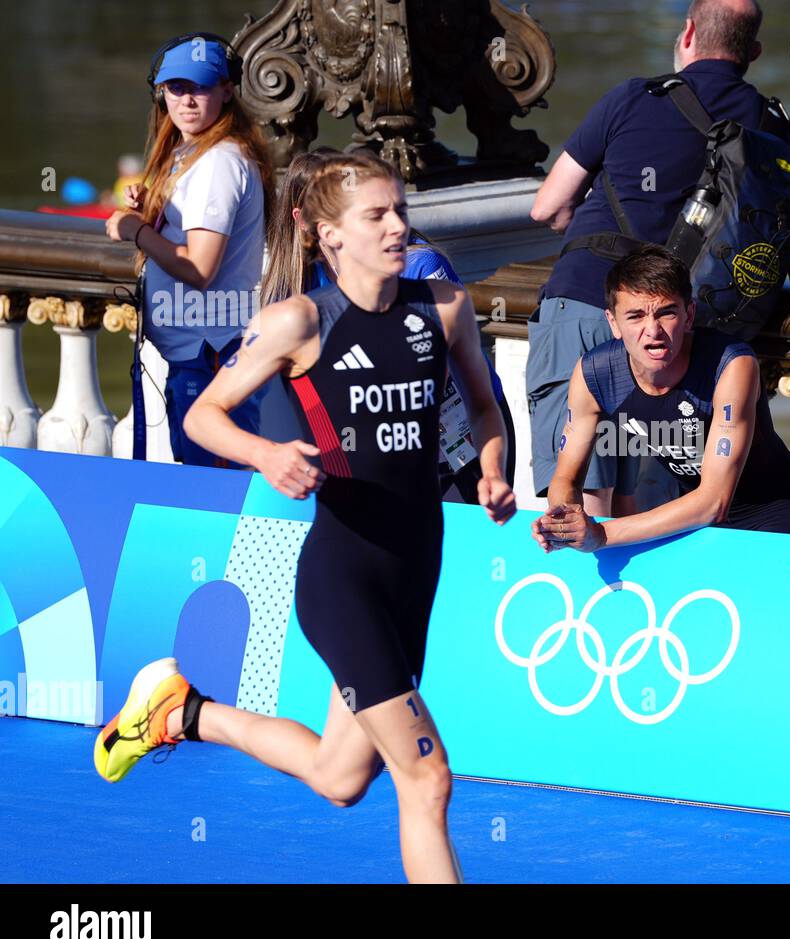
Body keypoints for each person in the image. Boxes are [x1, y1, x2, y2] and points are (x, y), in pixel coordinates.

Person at [93, 152, 516, 885]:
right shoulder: (297, 322)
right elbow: (204, 415)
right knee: (428, 779)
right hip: (343, 577)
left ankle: (184, 712)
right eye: (376, 215)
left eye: (400, 210)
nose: (397, 227)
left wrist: (494, 468)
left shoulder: (444, 307)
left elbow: (483, 407)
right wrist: (266, 455)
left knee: (340, 776)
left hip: (416, 571)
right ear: (330, 236)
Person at [527, 0, 790, 516]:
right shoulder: (769, 122)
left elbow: (548, 206)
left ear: (688, 33)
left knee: (581, 495)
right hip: (683, 336)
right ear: (753, 52)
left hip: (587, 301)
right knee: (651, 507)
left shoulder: (632, 97)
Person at [259, 148, 515, 499]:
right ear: (309, 223)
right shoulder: (297, 291)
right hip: (369, 448)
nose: (394, 226)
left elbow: (431, 382)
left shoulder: (420, 265)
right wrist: (268, 453)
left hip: (462, 435)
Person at [532, 246, 790, 553]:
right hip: (688, 510)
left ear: (689, 315)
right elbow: (565, 477)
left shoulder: (731, 365)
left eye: (666, 313)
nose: (652, 331)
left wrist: (600, 534)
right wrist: (564, 520)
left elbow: (713, 502)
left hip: (771, 513)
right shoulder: (594, 374)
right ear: (613, 323)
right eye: (635, 316)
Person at [105, 33, 274, 467]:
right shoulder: (194, 151)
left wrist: (134, 231)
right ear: (160, 91)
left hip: (210, 354)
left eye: (200, 86)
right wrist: (155, 211)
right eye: (176, 88)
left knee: (213, 491)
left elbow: (199, 267)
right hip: (202, 352)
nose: (187, 100)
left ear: (227, 90)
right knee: (202, 478)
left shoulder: (217, 163)